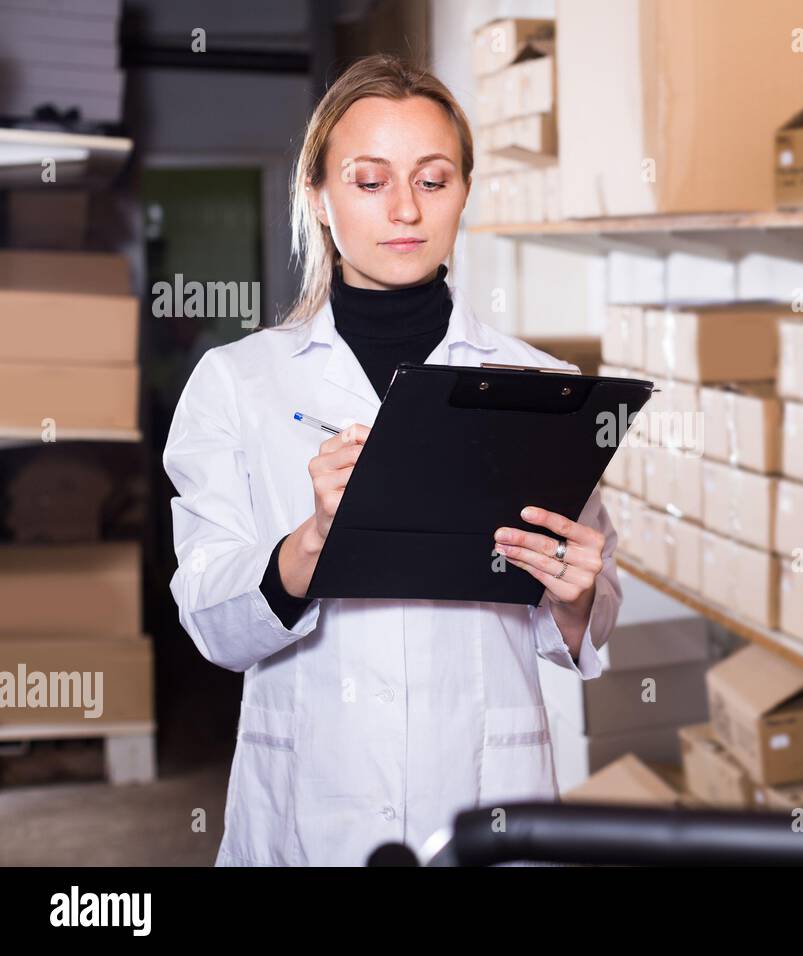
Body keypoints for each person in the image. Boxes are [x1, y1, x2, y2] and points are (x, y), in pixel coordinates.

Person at [163, 54, 620, 866]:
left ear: (465, 193)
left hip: (487, 796)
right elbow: (208, 619)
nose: (405, 209)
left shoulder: (544, 388)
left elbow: (573, 623)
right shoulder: (236, 383)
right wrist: (308, 545)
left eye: (433, 180)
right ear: (319, 198)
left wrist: (581, 597)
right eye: (370, 182)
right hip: (307, 805)